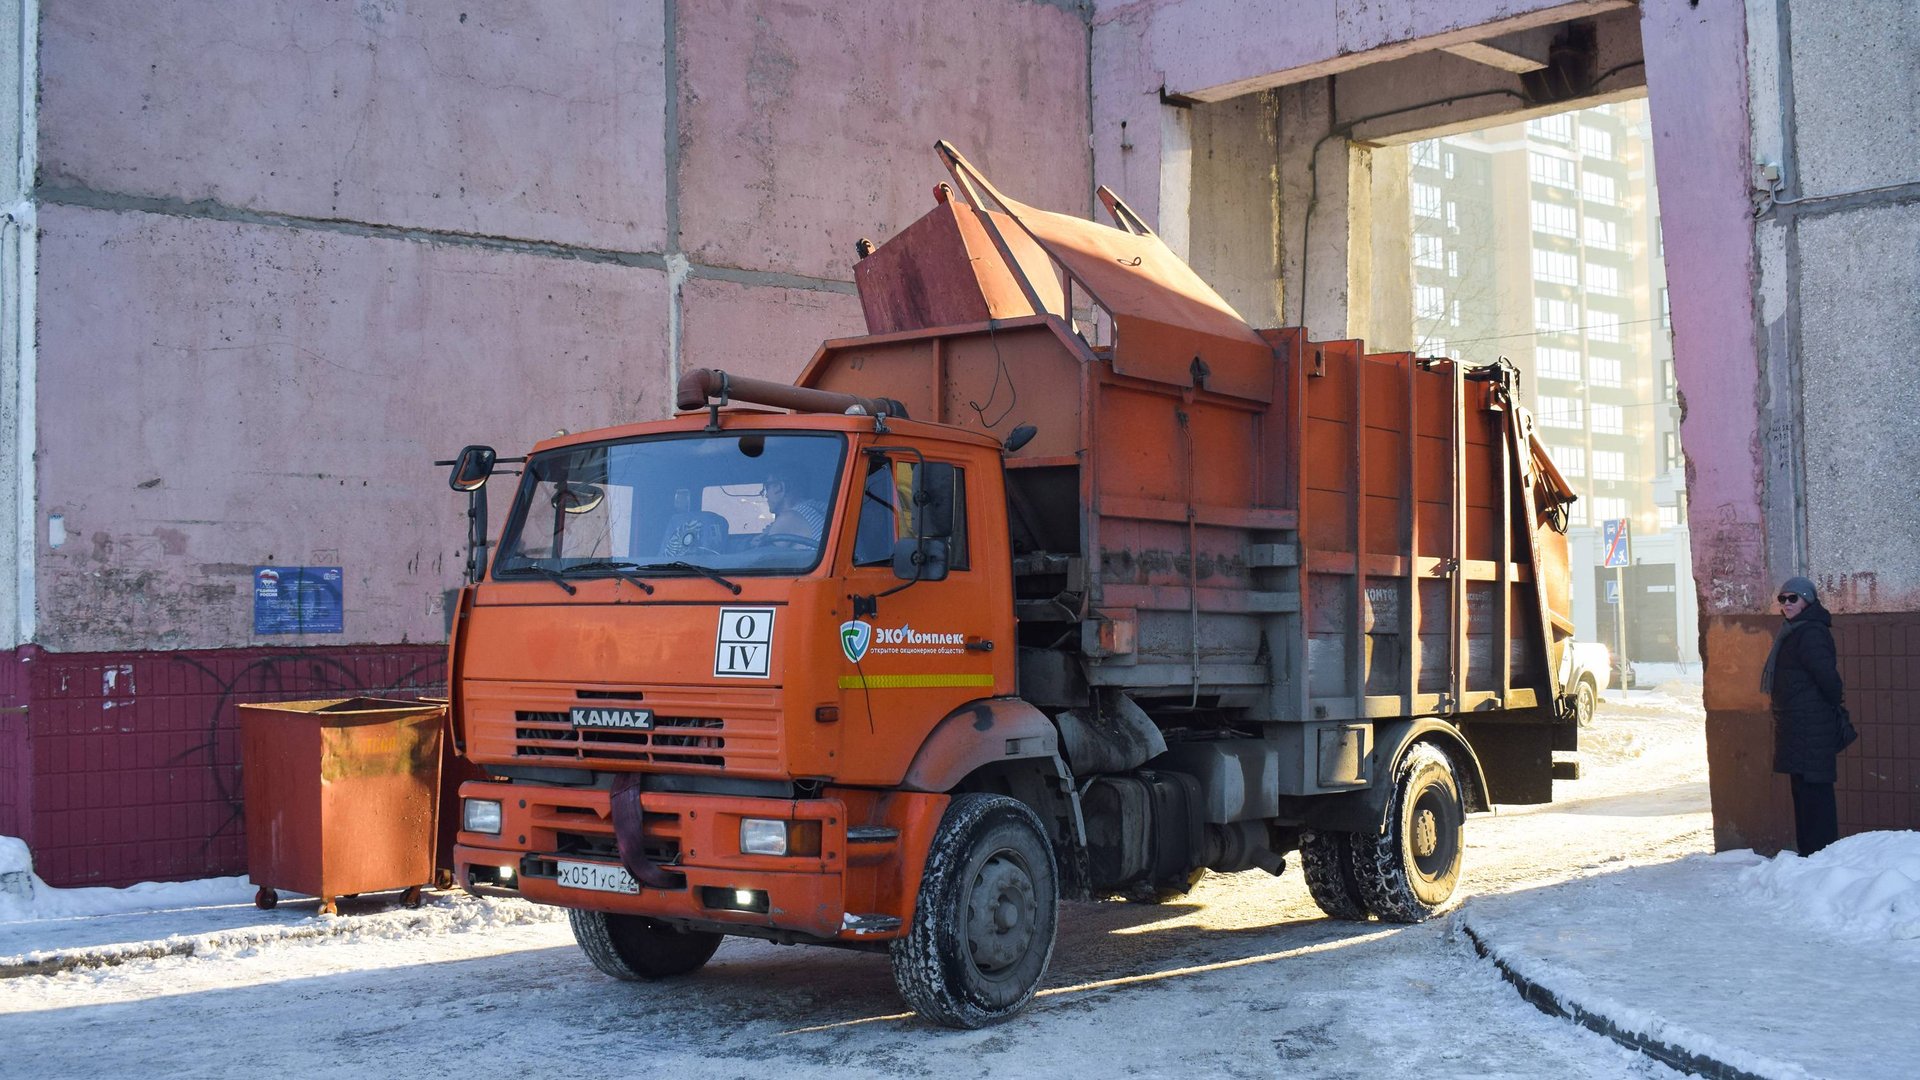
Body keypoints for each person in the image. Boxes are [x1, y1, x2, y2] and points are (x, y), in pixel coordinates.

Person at [1760, 575, 1848, 855]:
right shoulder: (1795, 630)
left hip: (1811, 725)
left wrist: (1825, 705)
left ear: (1807, 600)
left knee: (1814, 795)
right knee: (1803, 792)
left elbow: (1828, 678)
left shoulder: (1810, 632)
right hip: (1799, 724)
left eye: (1792, 598)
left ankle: (1819, 855)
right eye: (1782, 599)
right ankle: (1810, 855)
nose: (1786, 604)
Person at [757, 470, 826, 547]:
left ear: (779, 487)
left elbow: (762, 556)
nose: (766, 495)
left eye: (767, 487)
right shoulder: (821, 508)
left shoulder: (788, 518)